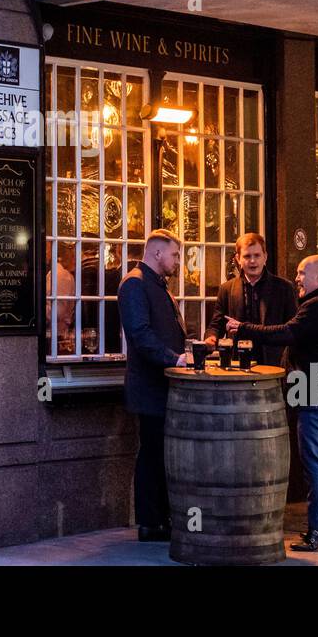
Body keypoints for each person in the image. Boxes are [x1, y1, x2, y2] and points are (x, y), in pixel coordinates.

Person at [229, 255, 318, 551]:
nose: (297, 278)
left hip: (316, 396)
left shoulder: (316, 306)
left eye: (301, 273)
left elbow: (285, 333)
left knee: (315, 465)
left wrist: (243, 328)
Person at [118, 229, 190, 543]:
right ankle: (150, 522)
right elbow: (140, 334)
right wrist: (174, 359)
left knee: (160, 454)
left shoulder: (155, 284)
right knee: (151, 454)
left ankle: (160, 518)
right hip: (150, 387)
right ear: (157, 252)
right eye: (175, 255)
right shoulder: (135, 283)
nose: (178, 261)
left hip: (163, 385)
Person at [203, 232, 298, 367]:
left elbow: (291, 330)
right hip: (237, 363)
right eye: (247, 256)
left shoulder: (284, 288)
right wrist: (211, 337)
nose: (252, 261)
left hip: (273, 364)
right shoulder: (226, 288)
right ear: (238, 259)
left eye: (257, 255)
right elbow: (216, 324)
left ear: (265, 257)